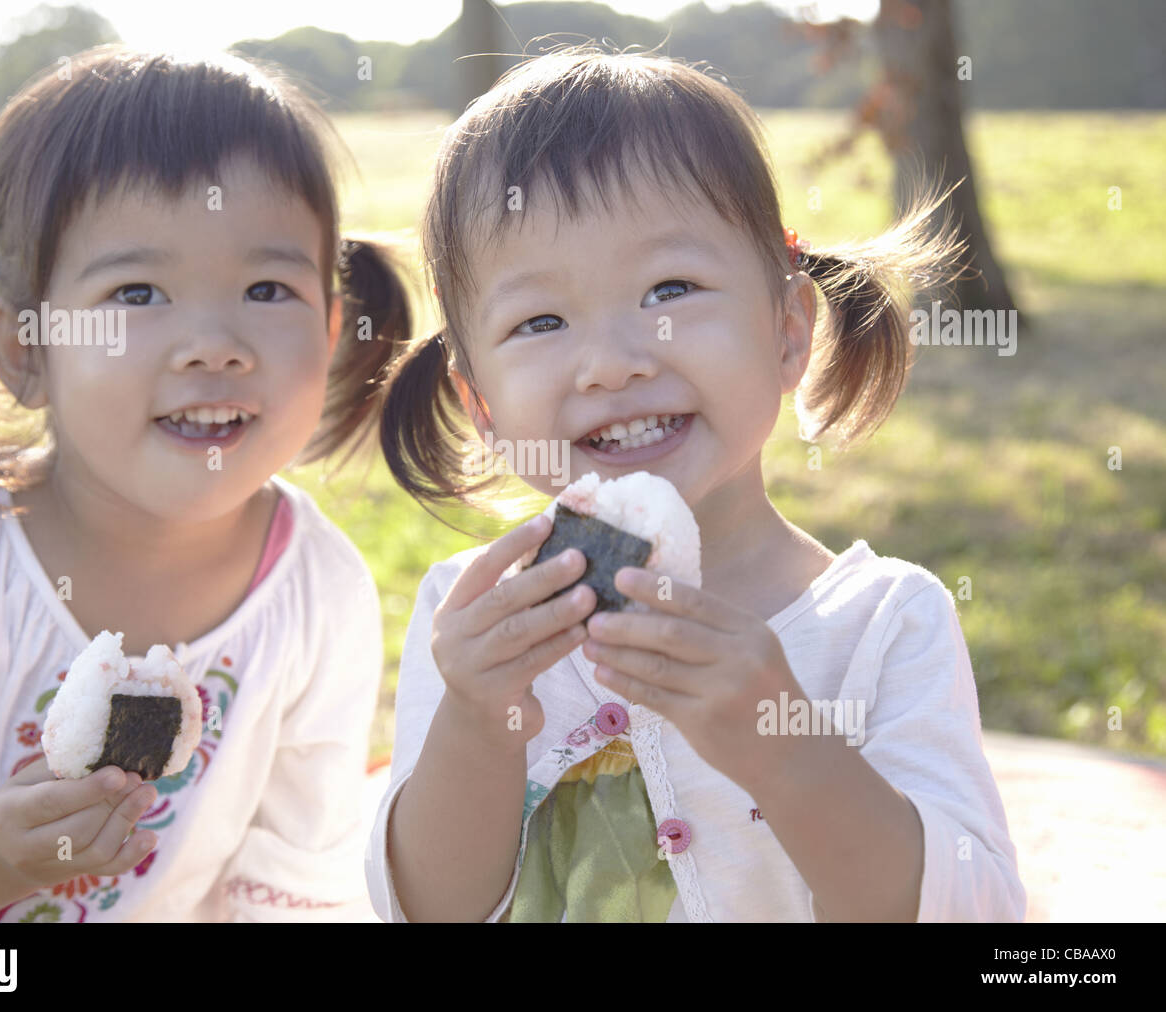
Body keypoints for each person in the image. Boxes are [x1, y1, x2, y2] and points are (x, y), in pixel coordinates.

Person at [367, 46, 1026, 922]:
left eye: (668, 288)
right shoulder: (475, 618)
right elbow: (429, 906)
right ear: (480, 403)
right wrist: (480, 718)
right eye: (542, 320)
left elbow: (971, 913)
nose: (611, 363)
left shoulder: (882, 624)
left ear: (788, 330)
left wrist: (784, 745)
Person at [0, 45, 410, 922]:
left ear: (336, 324)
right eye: (138, 293)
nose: (215, 343)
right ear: (25, 348)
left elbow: (296, 887)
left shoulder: (320, 591)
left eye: (268, 287)